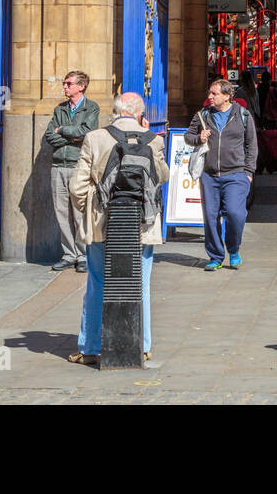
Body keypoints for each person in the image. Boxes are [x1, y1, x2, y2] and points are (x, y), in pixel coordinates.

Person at [67, 91, 169, 366]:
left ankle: (91, 348)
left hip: (103, 222)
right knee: (141, 284)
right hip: (142, 224)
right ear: (140, 113)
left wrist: (88, 210)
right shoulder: (155, 140)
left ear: (115, 111)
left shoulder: (95, 138)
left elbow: (77, 186)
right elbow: (163, 176)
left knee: (97, 283)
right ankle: (143, 346)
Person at [184, 78, 258, 271]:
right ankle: (216, 256)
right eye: (209, 93)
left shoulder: (243, 115)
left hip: (236, 174)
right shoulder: (202, 115)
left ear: (227, 96)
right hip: (209, 175)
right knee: (210, 216)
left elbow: (252, 145)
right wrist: (198, 138)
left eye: (214, 94)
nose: (209, 97)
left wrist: (248, 172)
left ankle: (233, 249)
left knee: (235, 213)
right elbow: (188, 136)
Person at [42, 70, 100, 273]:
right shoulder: (60, 109)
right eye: (64, 83)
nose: (65, 86)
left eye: (68, 83)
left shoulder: (91, 108)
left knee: (79, 213)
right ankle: (69, 254)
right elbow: (50, 136)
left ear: (81, 86)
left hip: (78, 165)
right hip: (58, 165)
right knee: (61, 213)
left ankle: (83, 255)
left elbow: (87, 132)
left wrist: (63, 130)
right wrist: (71, 135)